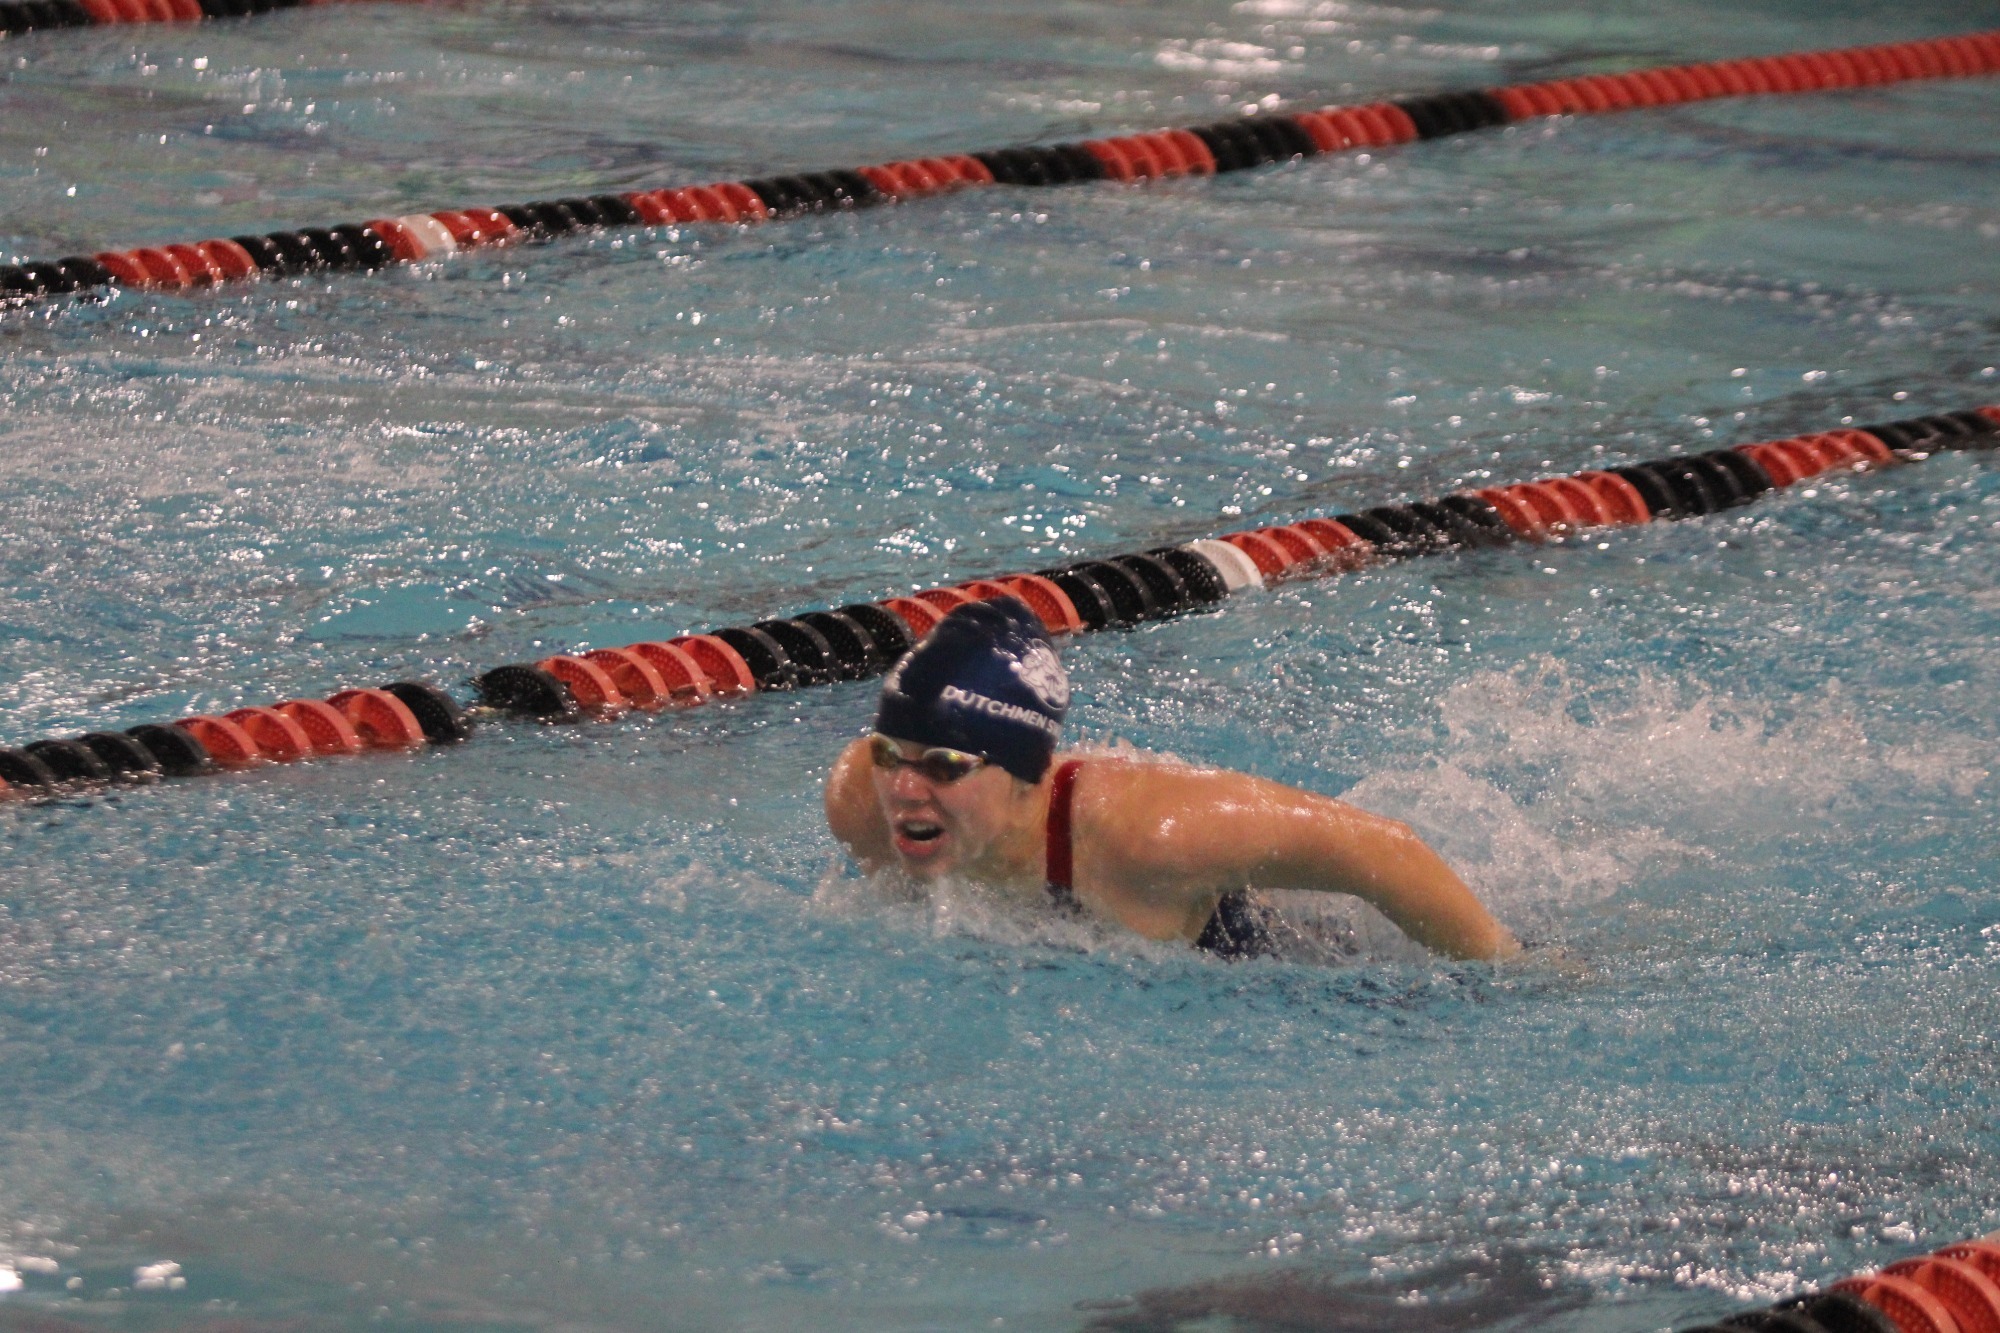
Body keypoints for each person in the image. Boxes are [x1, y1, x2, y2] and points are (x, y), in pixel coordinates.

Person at [823, 597, 1521, 962]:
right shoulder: (862, 800)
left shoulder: (1153, 836)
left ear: (1026, 773)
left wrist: (1507, 973)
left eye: (944, 765)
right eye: (893, 751)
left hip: (1263, 967)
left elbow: (1384, 848)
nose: (905, 788)